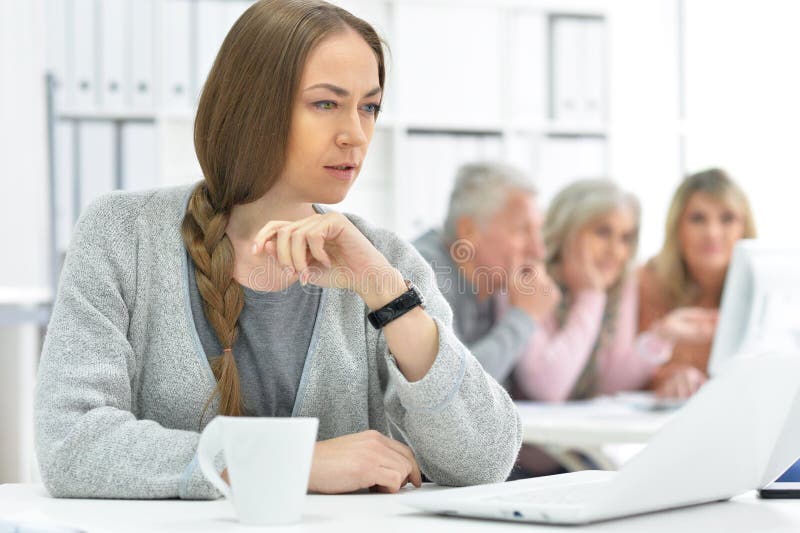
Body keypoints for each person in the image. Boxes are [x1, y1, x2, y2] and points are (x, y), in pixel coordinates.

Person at [34, 0, 521, 500]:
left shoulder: (386, 262)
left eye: (369, 107)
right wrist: (291, 464)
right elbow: (72, 442)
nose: (355, 134)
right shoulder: (122, 235)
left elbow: (485, 460)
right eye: (326, 104)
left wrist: (392, 300)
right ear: (252, 107)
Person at [514, 179, 682, 403]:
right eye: (603, 232)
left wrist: (662, 336)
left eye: (626, 238)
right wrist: (589, 297)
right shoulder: (527, 279)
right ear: (567, 231)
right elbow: (547, 388)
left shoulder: (619, 285)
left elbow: (609, 383)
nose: (616, 251)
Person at [413, 163, 560, 386]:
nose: (539, 250)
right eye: (522, 230)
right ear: (469, 231)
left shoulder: (495, 282)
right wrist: (525, 315)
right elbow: (455, 388)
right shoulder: (423, 271)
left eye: (538, 231)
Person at [639, 168, 757, 398]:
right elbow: (632, 366)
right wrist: (671, 375)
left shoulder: (762, 289)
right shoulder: (648, 281)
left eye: (727, 219)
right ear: (677, 228)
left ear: (744, 228)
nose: (712, 233)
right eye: (697, 219)